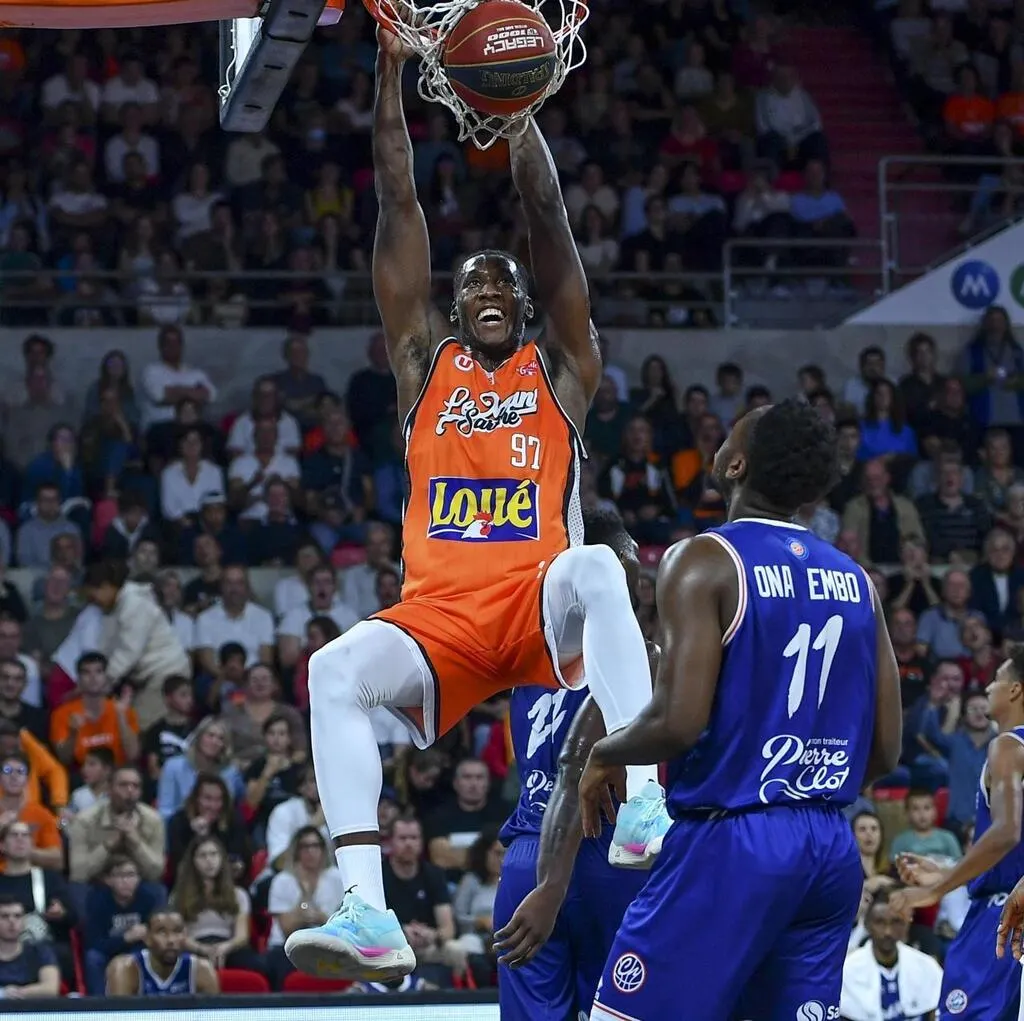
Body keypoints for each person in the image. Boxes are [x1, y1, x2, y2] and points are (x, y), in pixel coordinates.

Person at [284, 26, 665, 982]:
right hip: (441, 618)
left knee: (596, 564)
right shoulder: (424, 367)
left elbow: (546, 218)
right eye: (472, 282)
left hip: (540, 602)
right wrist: (388, 79)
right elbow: (398, 202)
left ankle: (649, 792)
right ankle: (370, 909)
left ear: (526, 304)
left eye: (503, 279)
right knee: (332, 671)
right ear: (451, 310)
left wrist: (517, 111)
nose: (490, 284)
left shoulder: (564, 368)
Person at [575, 400, 903, 1021]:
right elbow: (885, 750)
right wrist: (804, 791)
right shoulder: (857, 581)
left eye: (732, 432)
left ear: (734, 462)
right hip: (830, 846)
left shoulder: (704, 560)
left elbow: (679, 721)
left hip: (736, 840)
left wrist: (604, 752)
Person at [491, 505, 658, 1019]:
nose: (639, 570)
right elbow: (576, 766)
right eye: (629, 554)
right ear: (604, 565)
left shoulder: (525, 657)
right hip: (601, 853)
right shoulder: (643, 654)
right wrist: (553, 888)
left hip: (526, 854)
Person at [892, 646, 1024, 1021]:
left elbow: (1006, 833)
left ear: (1015, 690)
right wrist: (949, 874)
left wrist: (936, 888)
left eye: (997, 680)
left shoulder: (1007, 746)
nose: (987, 690)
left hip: (1001, 919)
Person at [840, 889, 943, 1021]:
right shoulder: (848, 969)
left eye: (895, 922)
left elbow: (937, 1013)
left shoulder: (926, 965)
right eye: (880, 922)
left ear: (905, 924)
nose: (888, 931)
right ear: (867, 924)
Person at [105, 908, 219, 995]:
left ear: (185, 935)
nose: (171, 940)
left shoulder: (201, 970)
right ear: (147, 937)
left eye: (177, 932)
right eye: (162, 932)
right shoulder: (126, 968)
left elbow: (214, 1016)